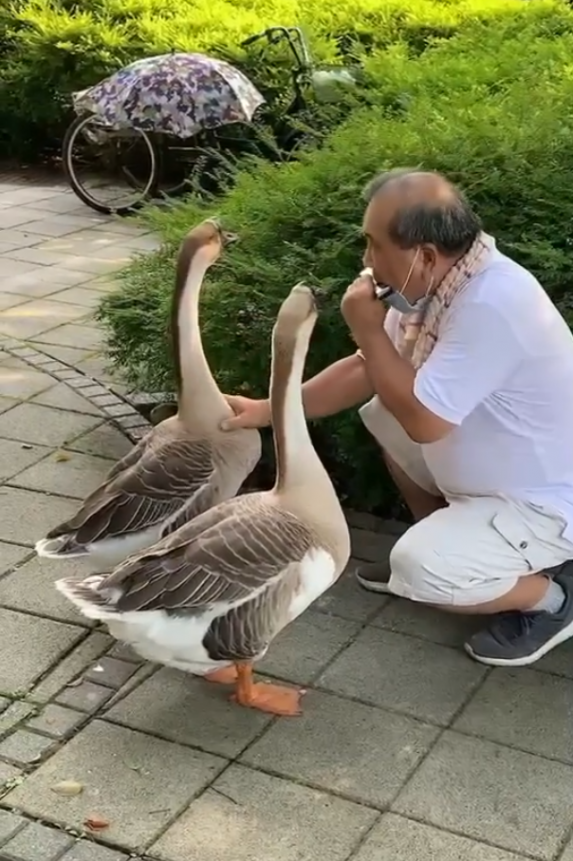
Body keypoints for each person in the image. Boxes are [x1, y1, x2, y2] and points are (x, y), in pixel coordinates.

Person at [221, 168, 573, 667]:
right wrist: (265, 411)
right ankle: (450, 543)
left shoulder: (494, 303)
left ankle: (551, 599)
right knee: (386, 408)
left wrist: (365, 328)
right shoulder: (440, 283)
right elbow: (370, 369)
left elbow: (425, 422)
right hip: (499, 475)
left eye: (373, 245)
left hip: (546, 504)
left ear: (424, 254)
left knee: (421, 569)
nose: (367, 261)